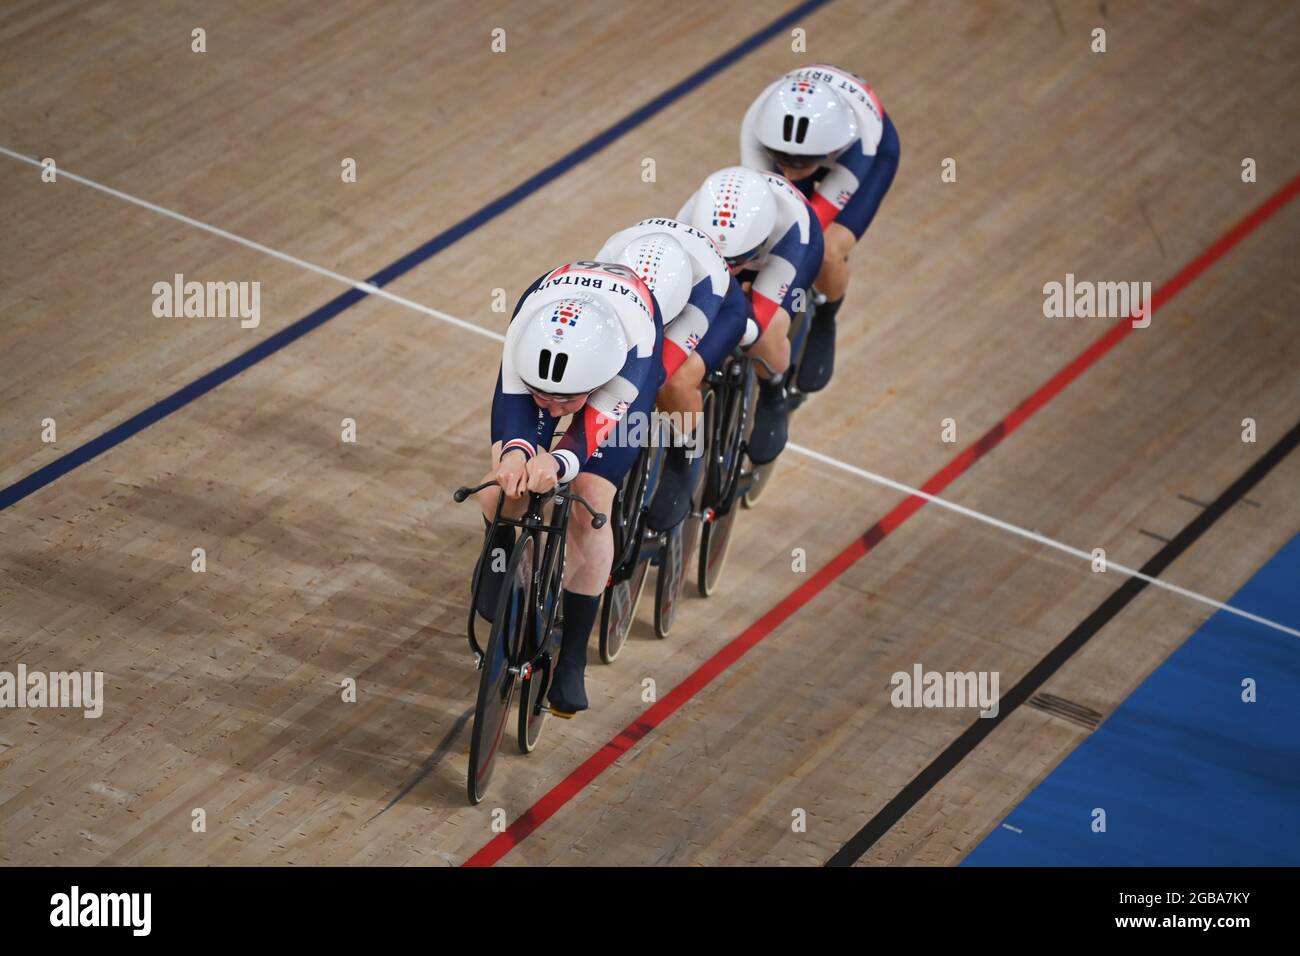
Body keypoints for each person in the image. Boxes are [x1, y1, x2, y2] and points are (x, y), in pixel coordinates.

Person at [478, 260, 663, 716]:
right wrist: (518, 456)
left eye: (566, 400)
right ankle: (500, 555)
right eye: (545, 395)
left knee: (590, 501)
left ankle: (574, 654)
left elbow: (589, 436)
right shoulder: (526, 331)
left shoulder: (629, 355)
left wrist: (559, 460)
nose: (554, 407)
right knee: (503, 482)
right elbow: (515, 412)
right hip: (552, 329)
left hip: (625, 364)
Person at [739, 64, 899, 392]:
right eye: (781, 158)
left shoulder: (860, 143)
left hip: (869, 155)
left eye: (803, 163)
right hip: (808, 139)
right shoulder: (756, 126)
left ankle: (826, 318)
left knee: (826, 250)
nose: (792, 171)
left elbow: (807, 225)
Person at [595, 217, 755, 529]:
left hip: (719, 311)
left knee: (675, 381)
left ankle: (685, 458)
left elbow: (656, 374)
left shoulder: (704, 286)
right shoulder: (610, 257)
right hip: (643, 299)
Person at [678, 166, 824, 464]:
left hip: (785, 258)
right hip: (712, 257)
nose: (729, 268)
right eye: (725, 261)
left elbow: (754, 324)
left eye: (736, 261)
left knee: (766, 332)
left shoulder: (790, 230)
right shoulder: (692, 215)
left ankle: (774, 391)